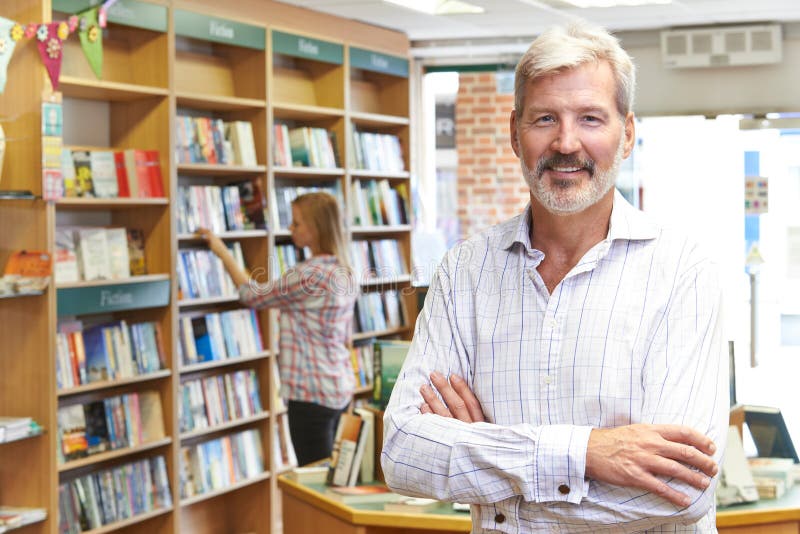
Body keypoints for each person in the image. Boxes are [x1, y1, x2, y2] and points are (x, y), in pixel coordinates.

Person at [381, 20, 728, 533]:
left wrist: (492, 473)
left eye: (590, 118)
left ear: (627, 133)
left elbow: (681, 491)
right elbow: (403, 452)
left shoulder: (683, 272)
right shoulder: (465, 272)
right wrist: (589, 452)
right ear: (514, 134)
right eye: (545, 119)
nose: (567, 142)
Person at [197, 191, 357, 466]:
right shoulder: (345, 271)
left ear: (316, 228)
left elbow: (252, 295)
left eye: (296, 223)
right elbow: (346, 338)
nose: (290, 228)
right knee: (332, 478)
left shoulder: (307, 275)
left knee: (314, 483)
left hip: (310, 394)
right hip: (339, 388)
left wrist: (221, 251)